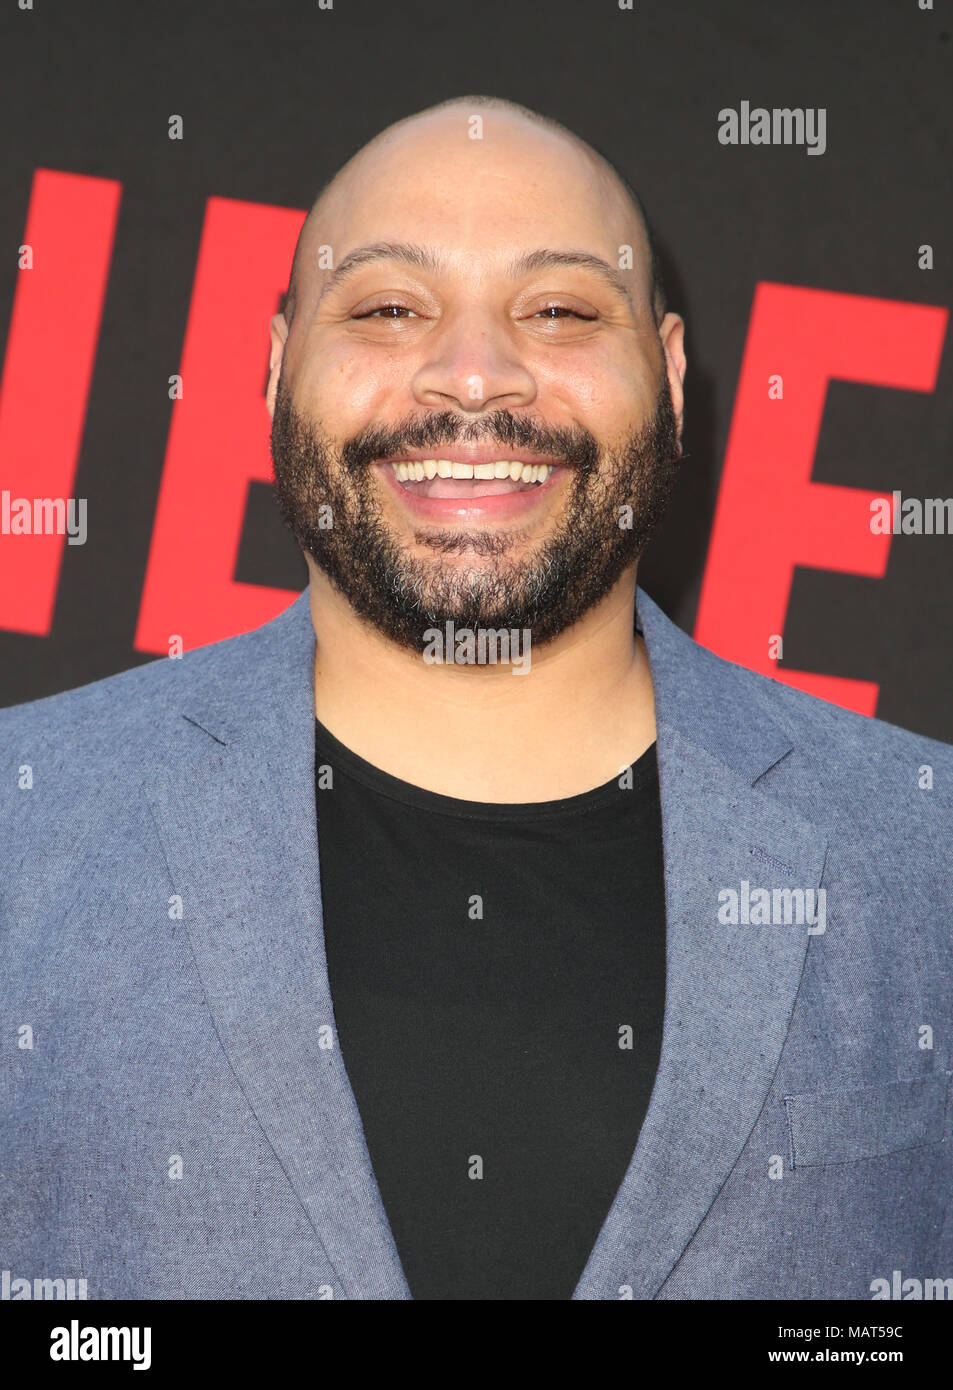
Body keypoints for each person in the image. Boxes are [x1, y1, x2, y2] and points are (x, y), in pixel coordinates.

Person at [1, 95, 951, 1302]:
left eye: (556, 310)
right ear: (277, 363)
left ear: (666, 375)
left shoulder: (925, 849)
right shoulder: (19, 827)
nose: (470, 376)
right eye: (391, 308)